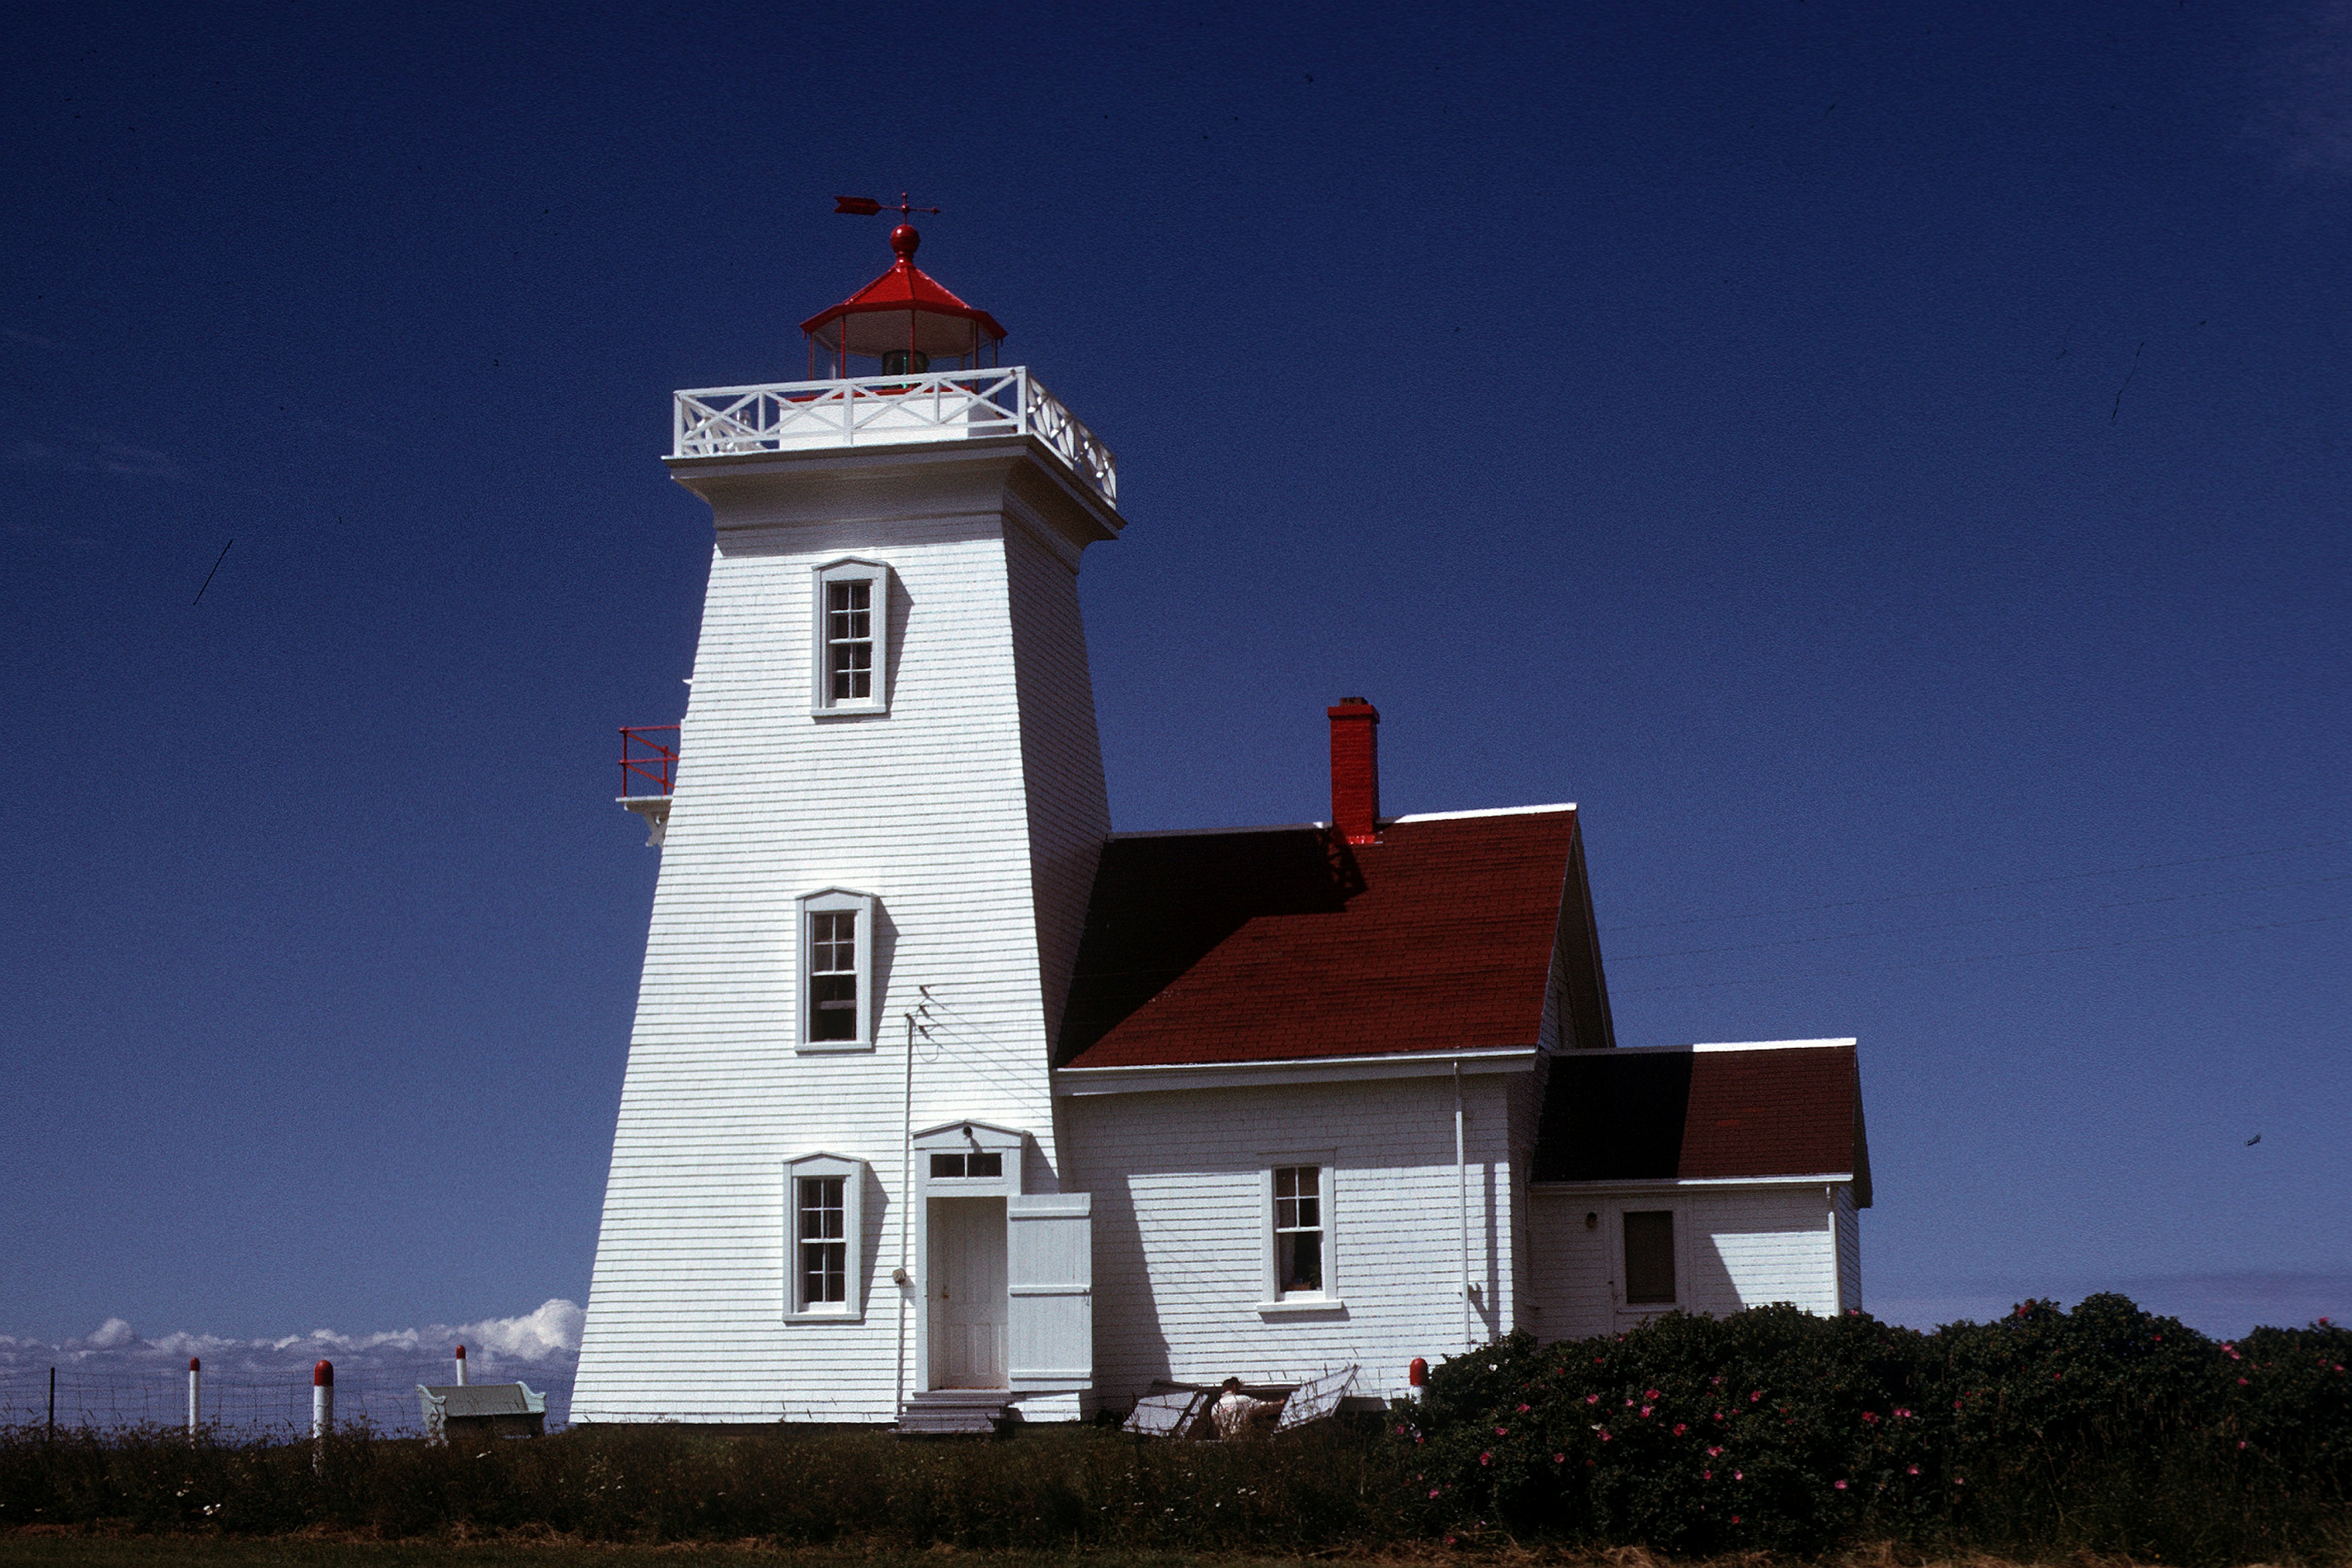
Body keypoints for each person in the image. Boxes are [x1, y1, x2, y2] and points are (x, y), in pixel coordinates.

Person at [1211, 1376, 1278, 1438]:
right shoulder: (1243, 1400)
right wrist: (1278, 1404)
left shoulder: (1216, 1407)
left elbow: (1216, 1427)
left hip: (1224, 1443)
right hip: (1242, 1441)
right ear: (1234, 1386)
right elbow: (1262, 1406)